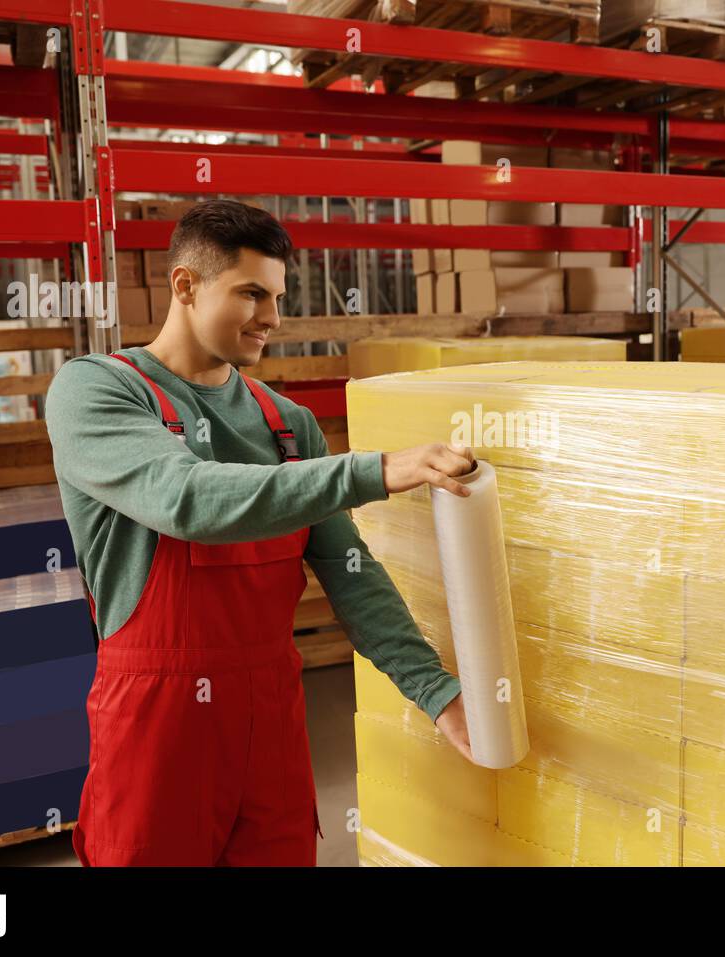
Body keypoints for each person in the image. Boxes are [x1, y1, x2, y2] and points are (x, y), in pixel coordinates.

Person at [45, 199, 472, 866]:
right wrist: (376, 469)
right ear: (184, 285)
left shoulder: (287, 423)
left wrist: (437, 693)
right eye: (251, 293)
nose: (272, 317)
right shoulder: (96, 392)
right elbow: (186, 497)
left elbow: (351, 575)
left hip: (270, 726)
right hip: (158, 734)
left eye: (277, 295)